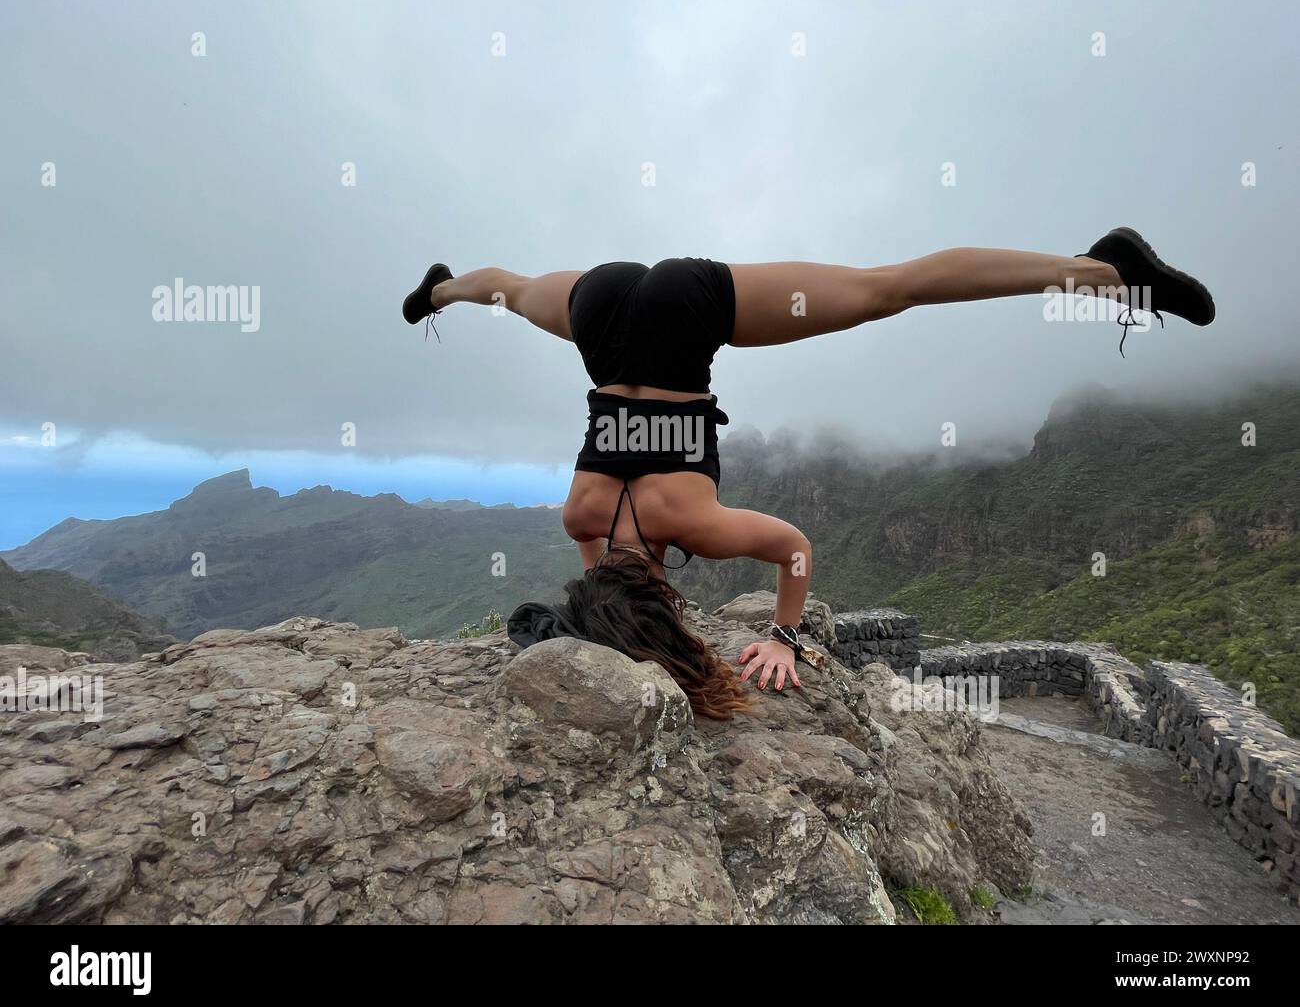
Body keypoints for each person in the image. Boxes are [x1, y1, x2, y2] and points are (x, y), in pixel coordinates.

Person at [402, 229, 1214, 719]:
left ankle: (1108, 271)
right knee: (506, 290)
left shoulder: (693, 523)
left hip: (687, 314)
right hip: (600, 309)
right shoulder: (579, 517)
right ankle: (440, 291)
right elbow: (602, 573)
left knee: (884, 291)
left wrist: (783, 636)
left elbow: (794, 547)